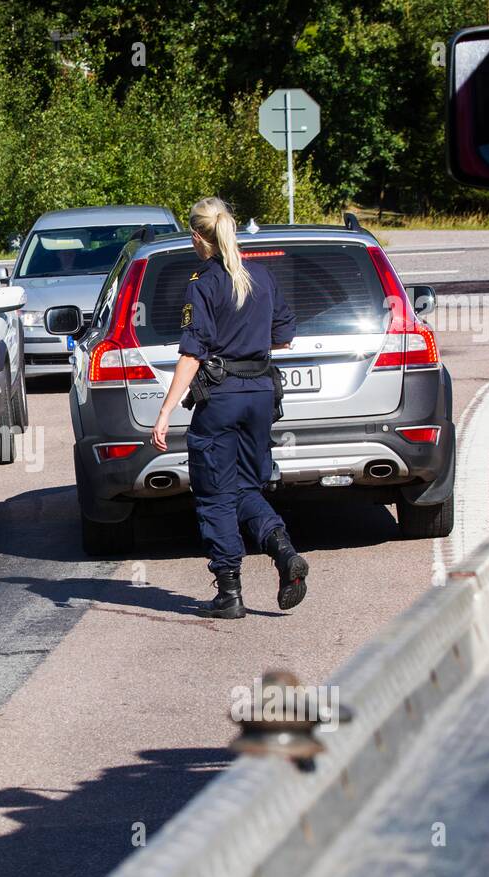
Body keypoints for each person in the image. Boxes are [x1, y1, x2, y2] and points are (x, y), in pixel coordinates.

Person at [151, 197, 308, 618]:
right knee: (244, 487)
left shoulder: (202, 283)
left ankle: (230, 593)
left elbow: (191, 355)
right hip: (260, 396)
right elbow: (285, 335)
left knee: (215, 495)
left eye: (192, 234)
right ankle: (283, 550)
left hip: (220, 399)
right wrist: (248, 345)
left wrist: (165, 412)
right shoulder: (261, 276)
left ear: (199, 236)